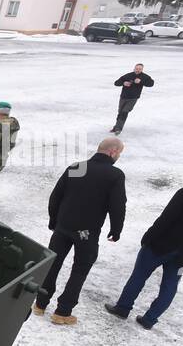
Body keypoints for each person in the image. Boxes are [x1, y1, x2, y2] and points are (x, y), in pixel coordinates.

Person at [105, 156, 183, 329]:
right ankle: (150, 319)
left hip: (161, 245)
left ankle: (123, 308)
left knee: (139, 276)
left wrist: (148, 237)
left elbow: (165, 219)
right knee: (170, 286)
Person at [34, 137, 127, 325]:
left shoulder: (77, 167)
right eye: (119, 153)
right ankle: (62, 312)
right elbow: (118, 205)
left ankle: (40, 304)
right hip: (86, 232)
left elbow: (56, 196)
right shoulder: (114, 174)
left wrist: (54, 221)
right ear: (113, 152)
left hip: (63, 226)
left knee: (53, 263)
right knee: (80, 269)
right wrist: (116, 230)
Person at [111, 63, 154, 135]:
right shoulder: (128, 75)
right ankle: (116, 127)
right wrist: (124, 83)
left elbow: (151, 84)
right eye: (136, 68)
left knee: (125, 112)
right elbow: (116, 83)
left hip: (133, 98)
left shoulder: (144, 76)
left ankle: (118, 129)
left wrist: (141, 82)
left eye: (140, 69)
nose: (138, 70)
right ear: (134, 68)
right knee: (120, 112)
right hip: (123, 97)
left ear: (142, 69)